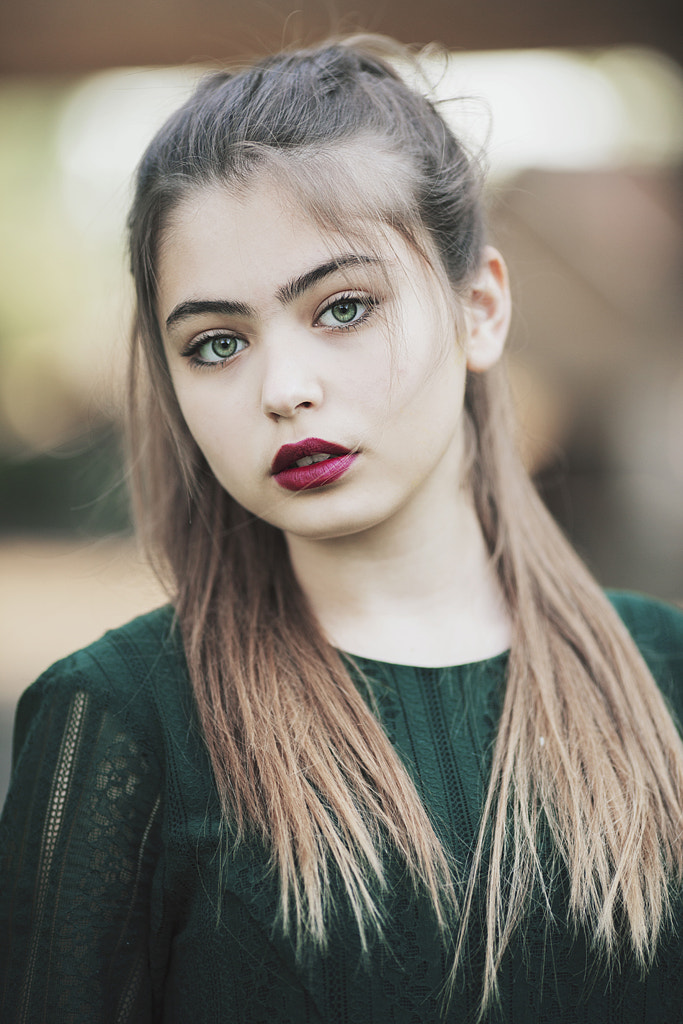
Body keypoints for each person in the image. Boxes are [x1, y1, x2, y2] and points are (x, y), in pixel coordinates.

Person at [1, 34, 683, 1024]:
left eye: (343, 307)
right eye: (216, 344)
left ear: (480, 309)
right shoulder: (119, 721)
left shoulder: (665, 675)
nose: (283, 388)